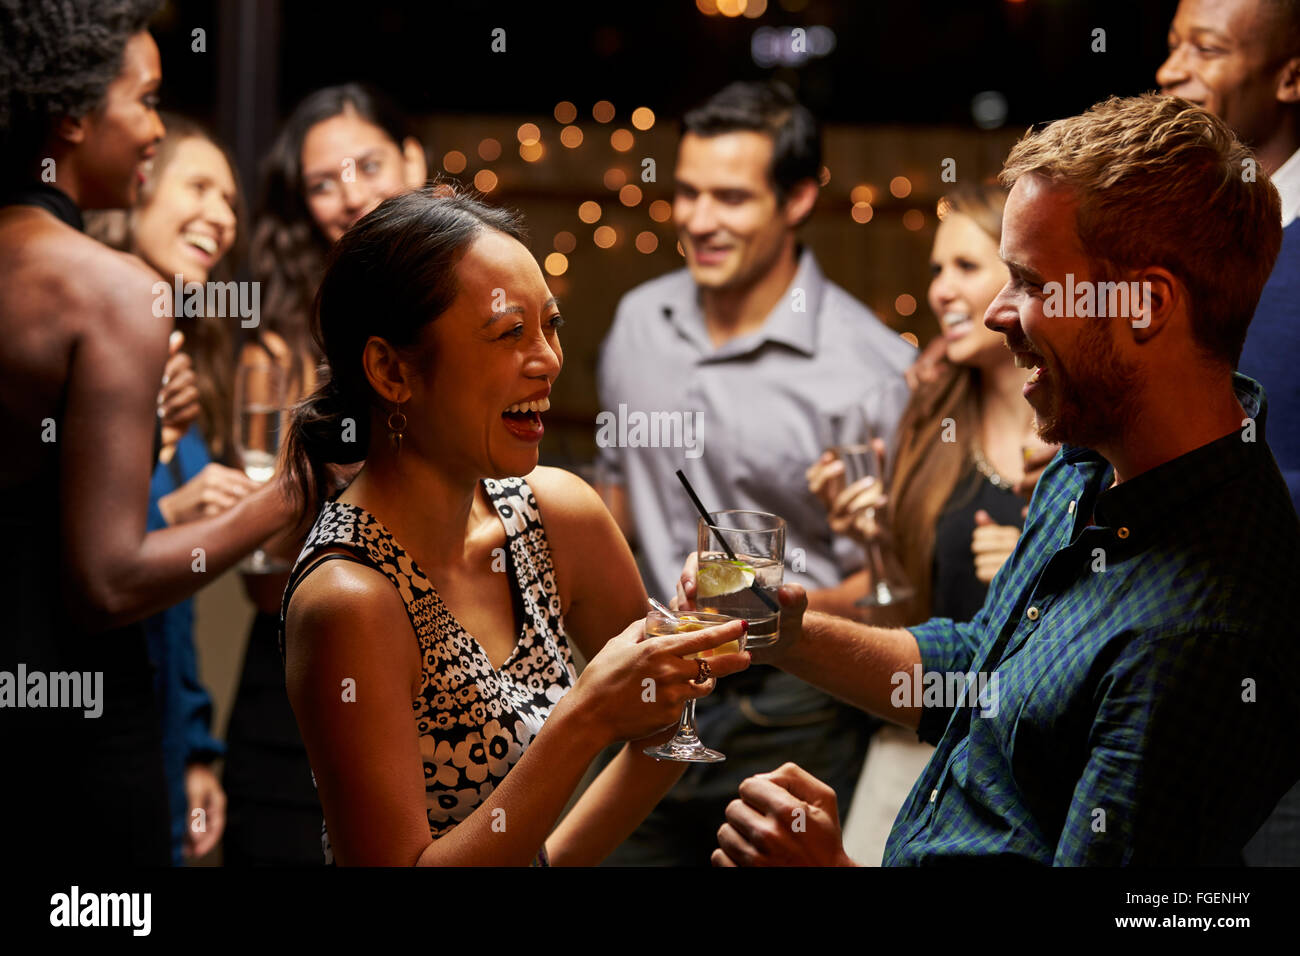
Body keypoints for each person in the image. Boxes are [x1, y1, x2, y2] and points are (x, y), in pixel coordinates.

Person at [692, 94, 1300, 866]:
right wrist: (784, 631)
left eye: (1033, 284)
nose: (996, 314)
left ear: (1146, 306)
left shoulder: (1195, 644)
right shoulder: (1093, 459)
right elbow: (981, 670)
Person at [280, 186, 750, 865]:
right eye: (508, 334)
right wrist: (585, 718)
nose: (547, 360)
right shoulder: (350, 599)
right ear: (390, 370)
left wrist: (679, 653)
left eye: (550, 326)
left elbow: (662, 729)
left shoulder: (557, 517)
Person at [0, 0, 293, 864]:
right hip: (72, 736)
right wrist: (295, 488)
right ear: (71, 114)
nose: (156, 129)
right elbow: (105, 582)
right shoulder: (111, 290)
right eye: (147, 98)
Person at [593, 80, 913, 865]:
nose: (700, 221)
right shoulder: (639, 323)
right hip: (654, 695)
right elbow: (618, 493)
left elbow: (898, 587)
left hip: (793, 707)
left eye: (731, 198)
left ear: (798, 197)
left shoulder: (870, 369)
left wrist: (763, 606)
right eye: (688, 194)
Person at [804, 184, 1044, 863]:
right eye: (937, 270)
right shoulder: (930, 418)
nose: (941, 290)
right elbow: (907, 614)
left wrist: (1036, 559)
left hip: (1032, 753)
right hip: (921, 744)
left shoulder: (1079, 428)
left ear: (1023, 276)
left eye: (966, 268)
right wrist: (872, 544)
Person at [222, 83, 428, 866]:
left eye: (368, 164)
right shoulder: (277, 347)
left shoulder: (469, 314)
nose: (350, 195)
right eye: (322, 182)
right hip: (297, 667)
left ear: (412, 159)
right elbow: (262, 582)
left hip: (439, 664)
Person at [86, 113, 257, 864]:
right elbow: (65, 562)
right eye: (199, 186)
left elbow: (173, 609)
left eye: (231, 203)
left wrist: (194, 753)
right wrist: (167, 513)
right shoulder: (82, 337)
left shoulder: (182, 368)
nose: (220, 217)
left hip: (151, 735)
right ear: (138, 190)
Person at [1157, 0, 1300, 864]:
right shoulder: (1163, 237)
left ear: (1291, 77)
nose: (1171, 70)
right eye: (1169, 45)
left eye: (1205, 49)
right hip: (1162, 706)